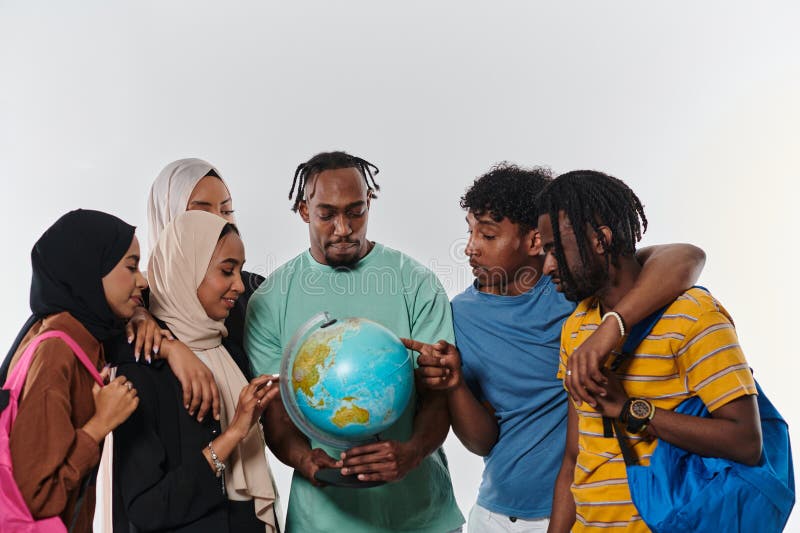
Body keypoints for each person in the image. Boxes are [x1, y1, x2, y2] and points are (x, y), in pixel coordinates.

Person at [409, 164, 707, 532]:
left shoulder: (579, 290)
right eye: (470, 231)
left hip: (587, 509)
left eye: (486, 235)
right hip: (497, 512)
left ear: (535, 241)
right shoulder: (461, 316)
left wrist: (608, 330)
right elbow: (484, 441)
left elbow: (686, 257)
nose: (469, 248)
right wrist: (454, 387)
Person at [245, 151, 464, 532]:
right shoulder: (269, 301)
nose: (343, 228)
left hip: (421, 516)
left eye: (356, 211)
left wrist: (411, 453)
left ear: (370, 203)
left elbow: (439, 398)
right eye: (326, 214)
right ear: (303, 210)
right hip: (325, 520)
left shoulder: (417, 283)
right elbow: (275, 413)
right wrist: (304, 459)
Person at [538, 170, 760, 532]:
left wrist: (629, 409)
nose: (547, 267)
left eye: (554, 250)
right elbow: (574, 457)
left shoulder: (693, 315)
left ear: (600, 240)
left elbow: (745, 441)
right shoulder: (577, 325)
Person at [112, 210, 280, 532]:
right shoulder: (143, 366)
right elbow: (147, 509)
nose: (239, 286)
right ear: (184, 270)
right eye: (227, 271)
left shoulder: (231, 352)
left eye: (240, 271)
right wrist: (231, 436)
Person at [7, 209, 142, 532]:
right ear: (89, 269)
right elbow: (33, 498)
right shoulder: (57, 352)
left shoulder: (81, 342)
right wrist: (99, 425)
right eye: (131, 267)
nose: (143, 279)